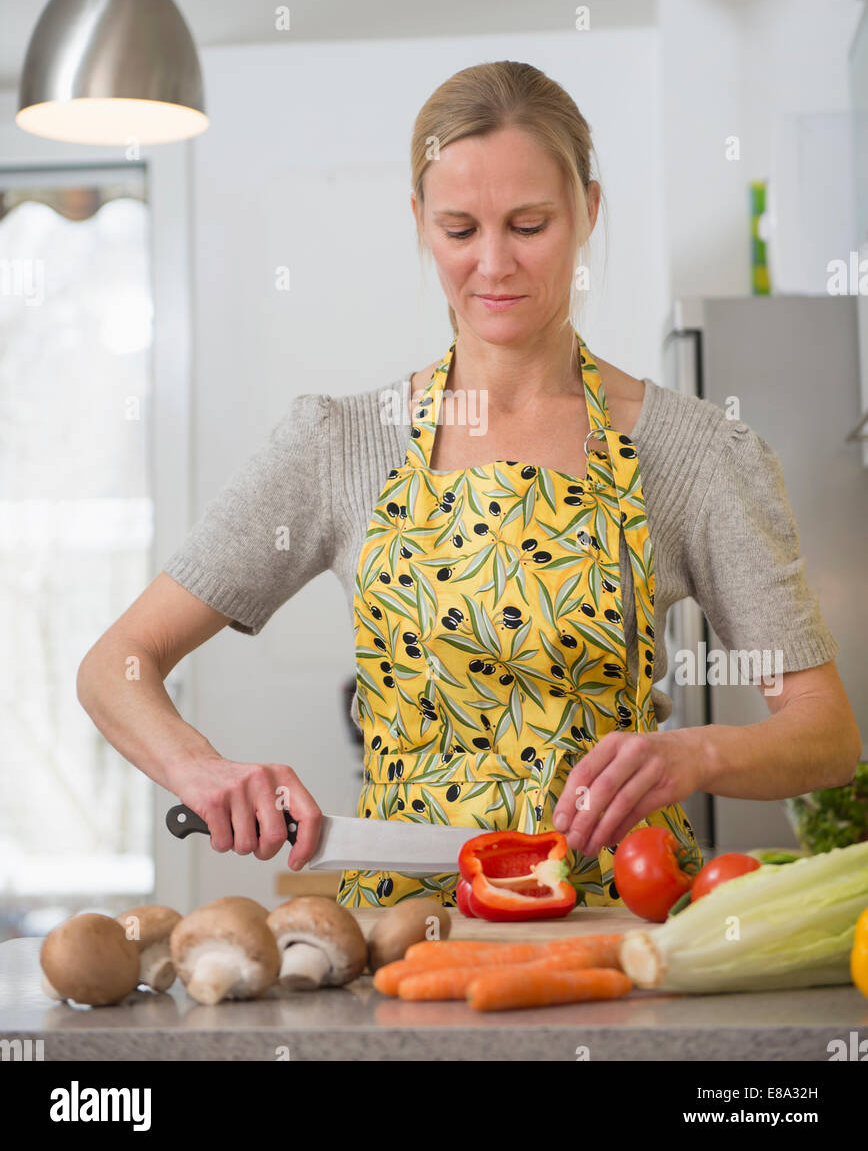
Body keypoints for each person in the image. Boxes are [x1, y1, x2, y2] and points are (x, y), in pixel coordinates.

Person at [77, 60, 861, 908]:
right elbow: (114, 664)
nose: (495, 265)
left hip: (618, 921)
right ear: (419, 223)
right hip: (402, 933)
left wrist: (693, 756)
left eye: (530, 224)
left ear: (589, 211)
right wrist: (202, 769)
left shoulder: (696, 452)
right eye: (459, 230)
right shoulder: (339, 444)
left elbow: (825, 734)